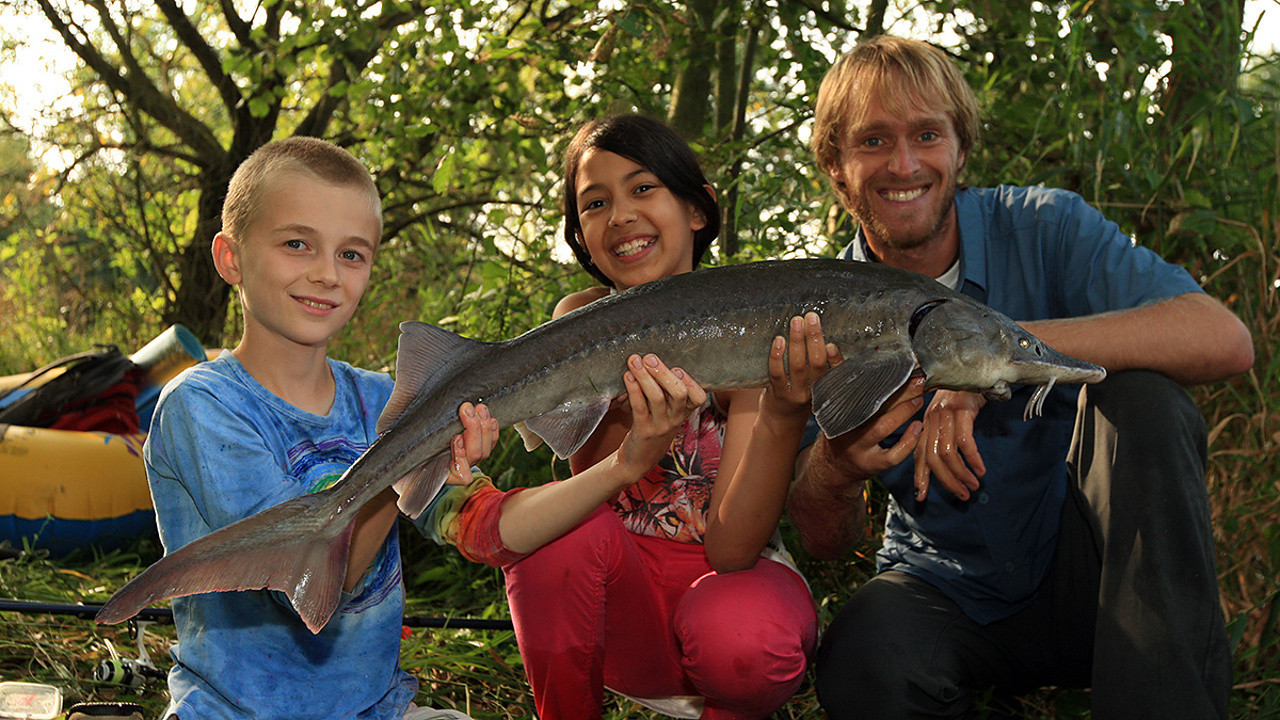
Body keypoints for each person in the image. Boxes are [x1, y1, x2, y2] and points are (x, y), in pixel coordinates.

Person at [787, 35, 1255, 720]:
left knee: (1144, 400)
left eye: (927, 134)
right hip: (946, 584)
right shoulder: (815, 309)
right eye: (873, 141)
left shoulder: (1044, 227)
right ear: (836, 167)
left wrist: (988, 360)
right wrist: (833, 466)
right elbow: (828, 541)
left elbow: (1225, 338)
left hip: (1101, 580)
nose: (905, 163)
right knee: (861, 662)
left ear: (961, 147)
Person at [421, 114, 823, 720]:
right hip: (617, 606)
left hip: (724, 594)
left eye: (643, 188)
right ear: (580, 236)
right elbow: (590, 496)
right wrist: (633, 436)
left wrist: (784, 410)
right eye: (595, 203)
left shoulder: (751, 325)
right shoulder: (578, 320)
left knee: (744, 636)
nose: (621, 215)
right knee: (555, 534)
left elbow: (732, 548)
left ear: (698, 209)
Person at [145, 136, 490, 720]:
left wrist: (626, 461)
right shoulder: (202, 406)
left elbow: (492, 525)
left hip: (377, 708)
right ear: (230, 258)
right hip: (237, 712)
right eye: (298, 244)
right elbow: (312, 583)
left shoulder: (384, 399)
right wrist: (407, 464)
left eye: (352, 255)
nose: (327, 274)